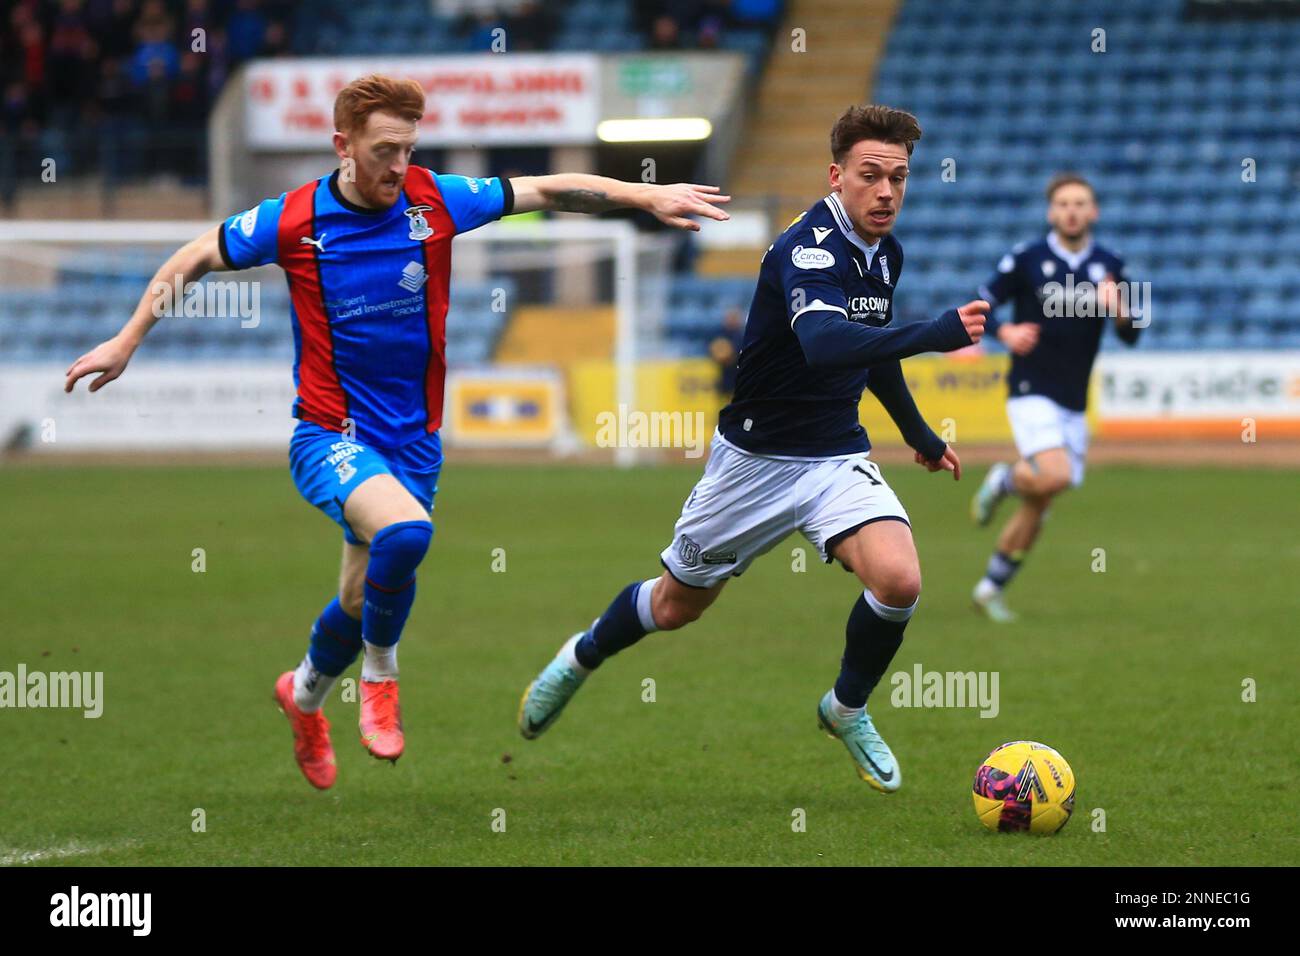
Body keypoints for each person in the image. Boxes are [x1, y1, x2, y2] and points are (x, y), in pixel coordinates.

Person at [63, 73, 729, 790]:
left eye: (408, 149)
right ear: (342, 145)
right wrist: (129, 338)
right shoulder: (294, 221)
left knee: (359, 599)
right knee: (406, 535)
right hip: (329, 436)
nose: (398, 165)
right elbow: (193, 255)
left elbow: (547, 189)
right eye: (384, 150)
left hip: (413, 443)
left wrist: (646, 195)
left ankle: (306, 694)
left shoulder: (435, 201)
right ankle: (381, 680)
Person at [517, 105, 987, 794]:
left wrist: (917, 435)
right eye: (870, 176)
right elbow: (827, 346)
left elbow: (869, 347)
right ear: (836, 175)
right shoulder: (808, 248)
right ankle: (581, 655)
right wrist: (934, 332)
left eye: (899, 177)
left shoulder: (884, 253)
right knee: (677, 607)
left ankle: (844, 708)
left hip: (833, 457)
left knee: (899, 581)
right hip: (754, 464)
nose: (886, 191)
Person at [969, 173, 1142, 622]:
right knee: (1054, 475)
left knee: (1042, 497)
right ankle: (1004, 479)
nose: (1071, 210)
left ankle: (990, 587)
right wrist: (1004, 330)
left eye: (1080, 203)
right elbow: (980, 303)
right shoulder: (1028, 258)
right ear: (1052, 212)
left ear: (1093, 212)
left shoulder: (1111, 264)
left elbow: (1132, 334)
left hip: (1073, 398)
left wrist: (1120, 308)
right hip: (1031, 387)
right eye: (1063, 203)